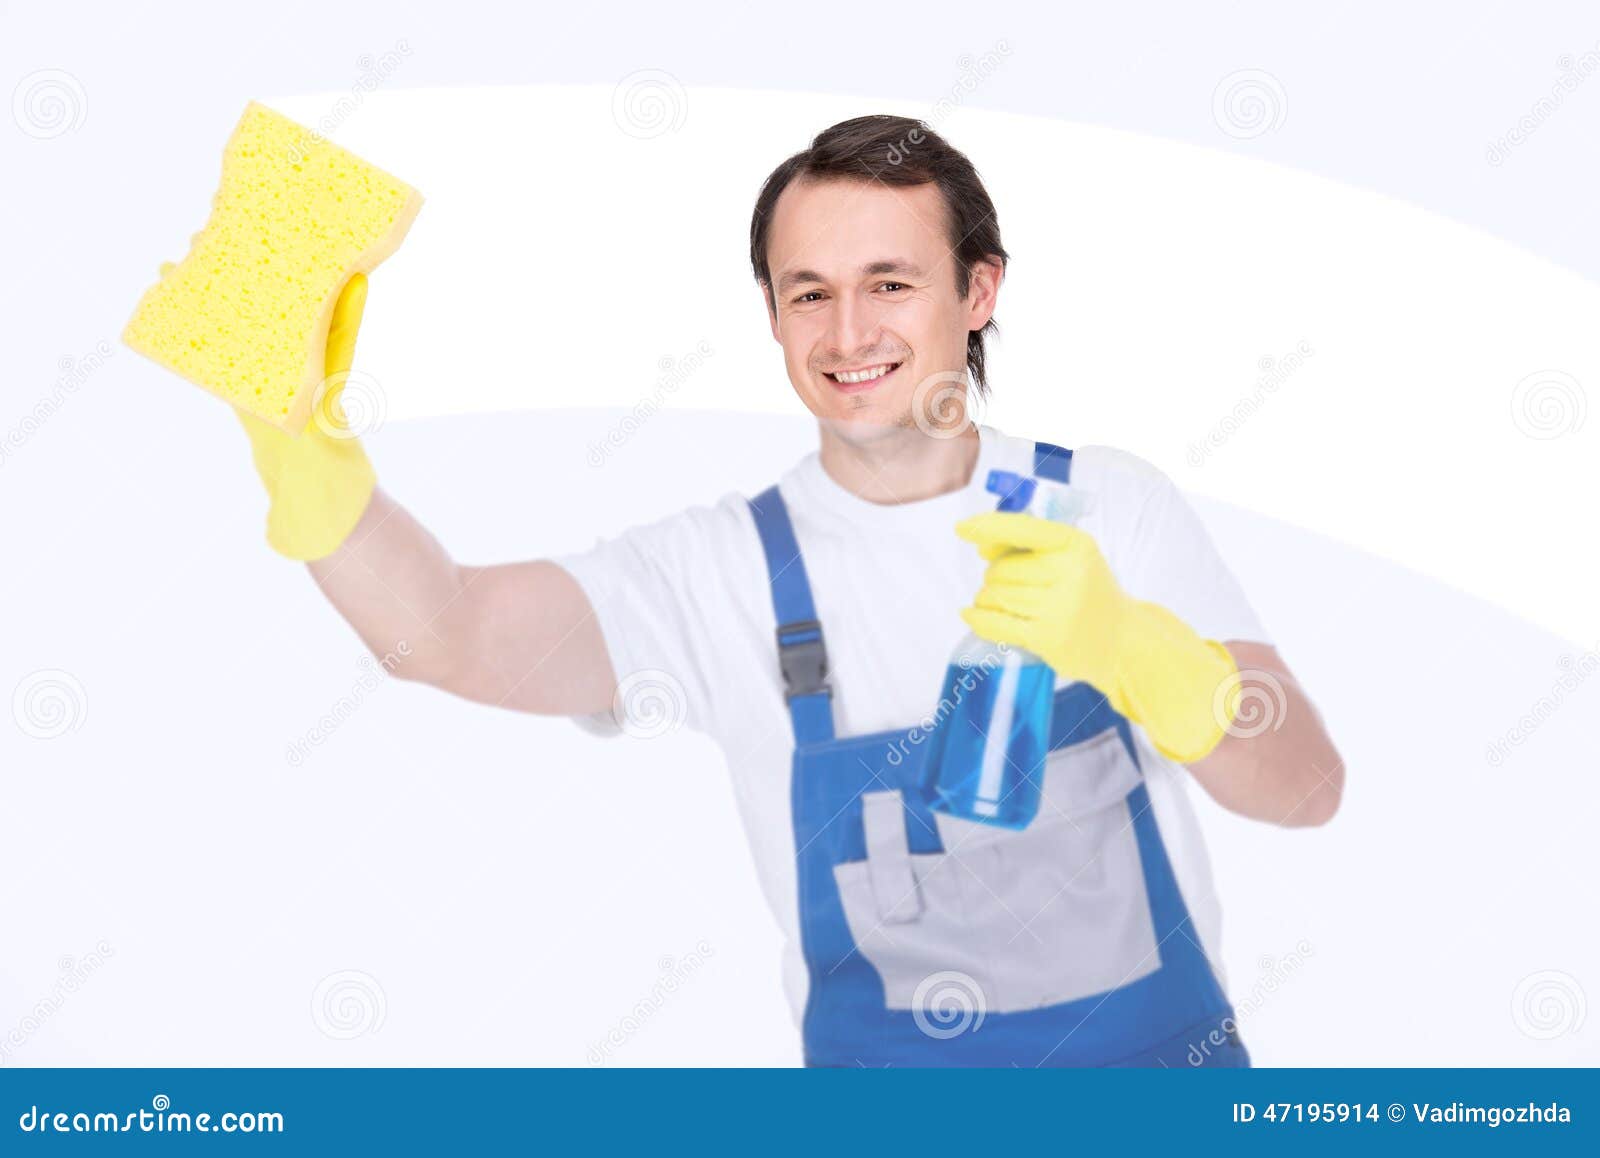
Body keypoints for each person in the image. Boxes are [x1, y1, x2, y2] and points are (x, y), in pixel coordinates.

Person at [238, 114, 1343, 1067]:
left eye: (890, 284)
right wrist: (303, 454)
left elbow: (1305, 789)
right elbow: (452, 634)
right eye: (810, 293)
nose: (849, 333)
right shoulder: (720, 572)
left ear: (979, 290)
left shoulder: (1104, 506)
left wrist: (1137, 650)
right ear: (772, 314)